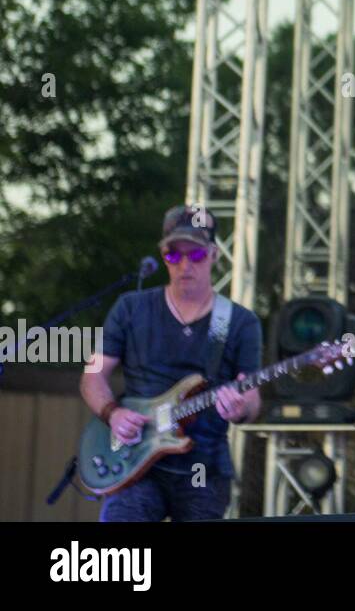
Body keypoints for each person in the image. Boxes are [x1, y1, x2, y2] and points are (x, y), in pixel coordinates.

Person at [80, 205, 262, 521]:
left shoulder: (237, 322)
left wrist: (240, 408)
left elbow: (252, 398)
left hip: (202, 465)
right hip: (136, 458)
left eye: (196, 255)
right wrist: (113, 413)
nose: (184, 265)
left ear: (214, 256)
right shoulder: (131, 309)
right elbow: (93, 377)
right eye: (173, 256)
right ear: (163, 255)